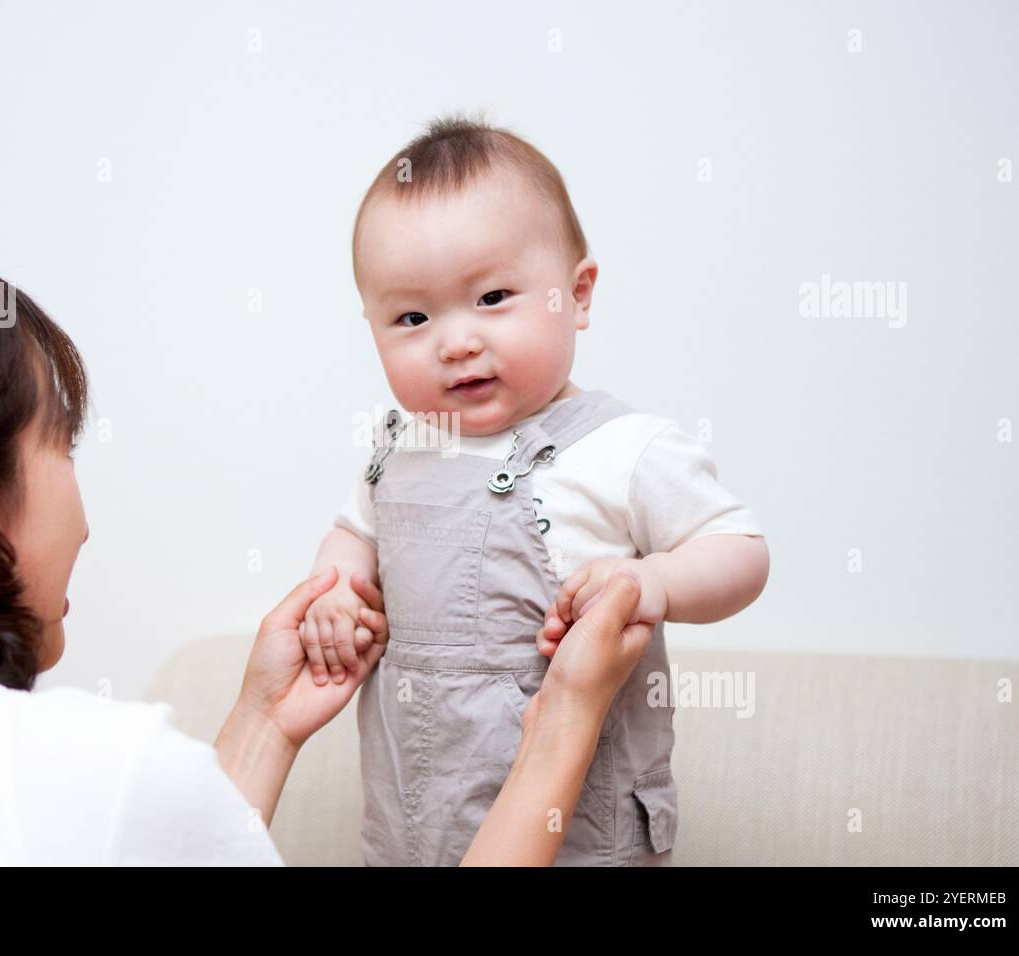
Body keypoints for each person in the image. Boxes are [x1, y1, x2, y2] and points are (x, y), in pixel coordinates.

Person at [0, 243, 654, 866]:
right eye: (61, 446)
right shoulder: (81, 771)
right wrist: (564, 724)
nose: (86, 519)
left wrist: (263, 722)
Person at [301, 117, 770, 865]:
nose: (456, 341)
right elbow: (354, 532)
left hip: (577, 830)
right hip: (414, 824)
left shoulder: (622, 449)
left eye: (492, 297)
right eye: (412, 317)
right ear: (372, 328)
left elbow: (741, 552)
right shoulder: (399, 449)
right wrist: (337, 589)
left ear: (576, 295)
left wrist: (655, 580)